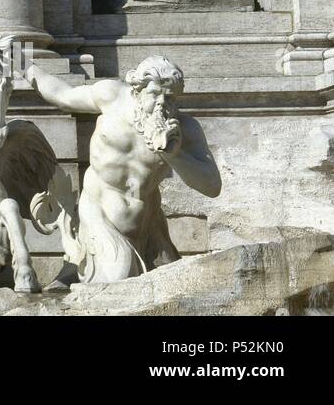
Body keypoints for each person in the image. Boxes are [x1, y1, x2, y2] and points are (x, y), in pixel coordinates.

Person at [29, 57, 220, 282]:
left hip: (149, 227)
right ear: (137, 90)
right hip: (99, 217)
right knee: (116, 281)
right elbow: (61, 96)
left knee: (172, 287)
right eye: (154, 93)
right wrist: (22, 62)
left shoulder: (185, 130)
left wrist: (174, 155)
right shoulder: (112, 97)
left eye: (169, 97)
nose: (161, 103)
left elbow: (212, 186)